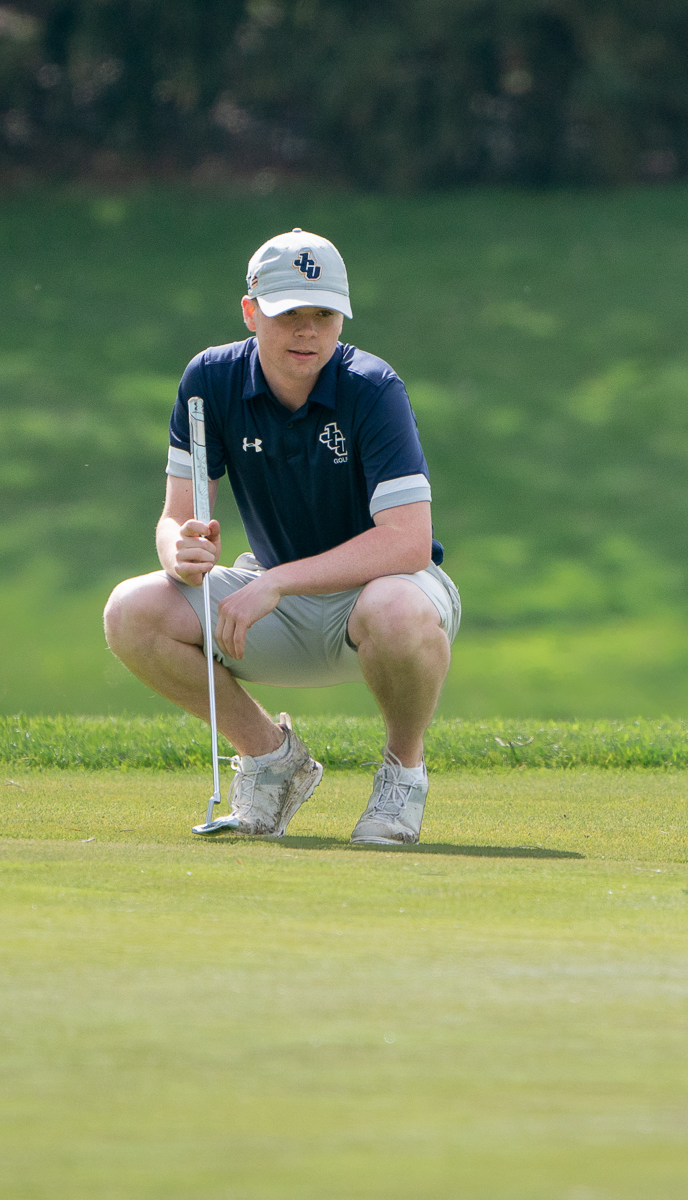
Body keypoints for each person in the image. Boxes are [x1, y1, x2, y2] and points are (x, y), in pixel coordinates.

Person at [102, 229, 459, 845]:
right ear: (250, 312)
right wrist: (178, 552)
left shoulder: (374, 389)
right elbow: (175, 516)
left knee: (395, 608)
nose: (308, 332)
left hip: (380, 595)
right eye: (288, 313)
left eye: (323, 315)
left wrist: (276, 583)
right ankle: (272, 760)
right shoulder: (209, 381)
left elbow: (407, 544)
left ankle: (403, 773)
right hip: (274, 602)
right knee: (130, 612)